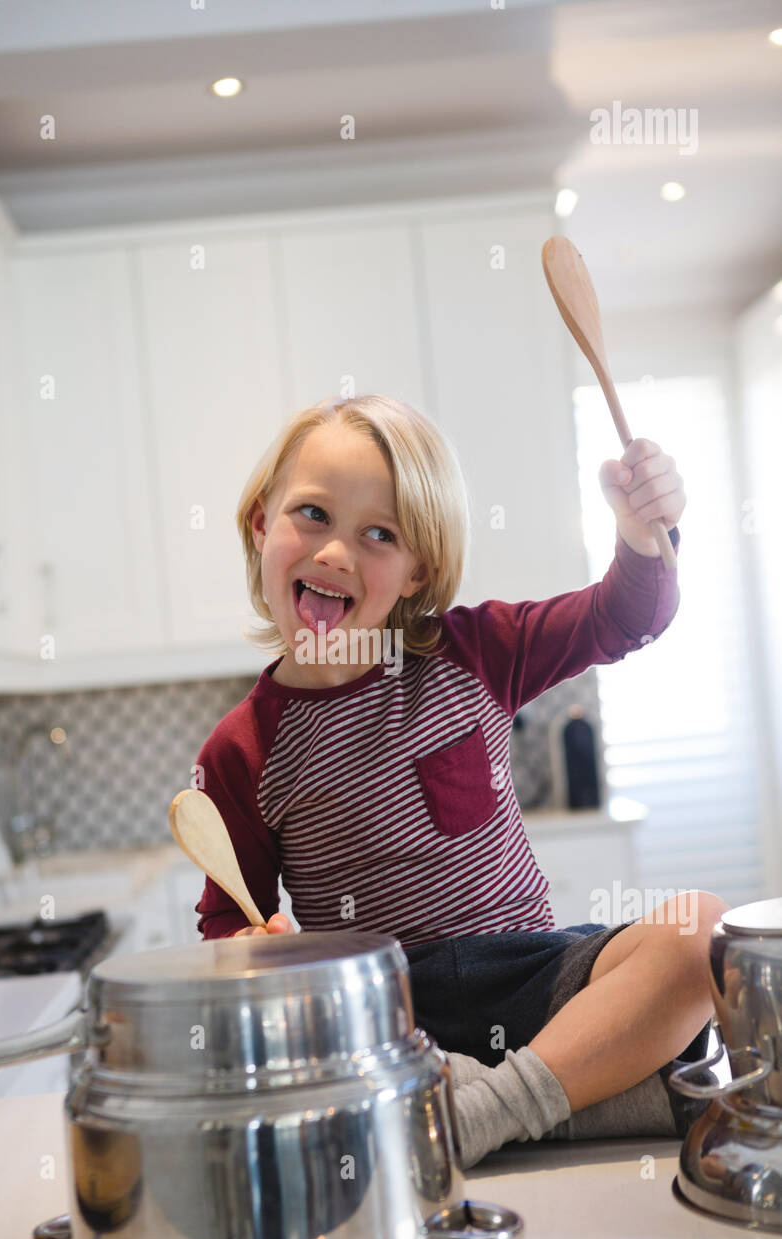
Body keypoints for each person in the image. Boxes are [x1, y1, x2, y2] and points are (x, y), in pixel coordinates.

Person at [192, 394, 724, 1168]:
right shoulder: (240, 750)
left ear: (418, 572)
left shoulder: (470, 654)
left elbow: (621, 619)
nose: (337, 551)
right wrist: (250, 947)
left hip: (533, 976)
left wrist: (644, 539)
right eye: (312, 514)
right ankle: (584, 1095)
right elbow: (224, 925)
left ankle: (480, 1111)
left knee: (702, 933)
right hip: (388, 1012)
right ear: (259, 526)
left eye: (380, 533)